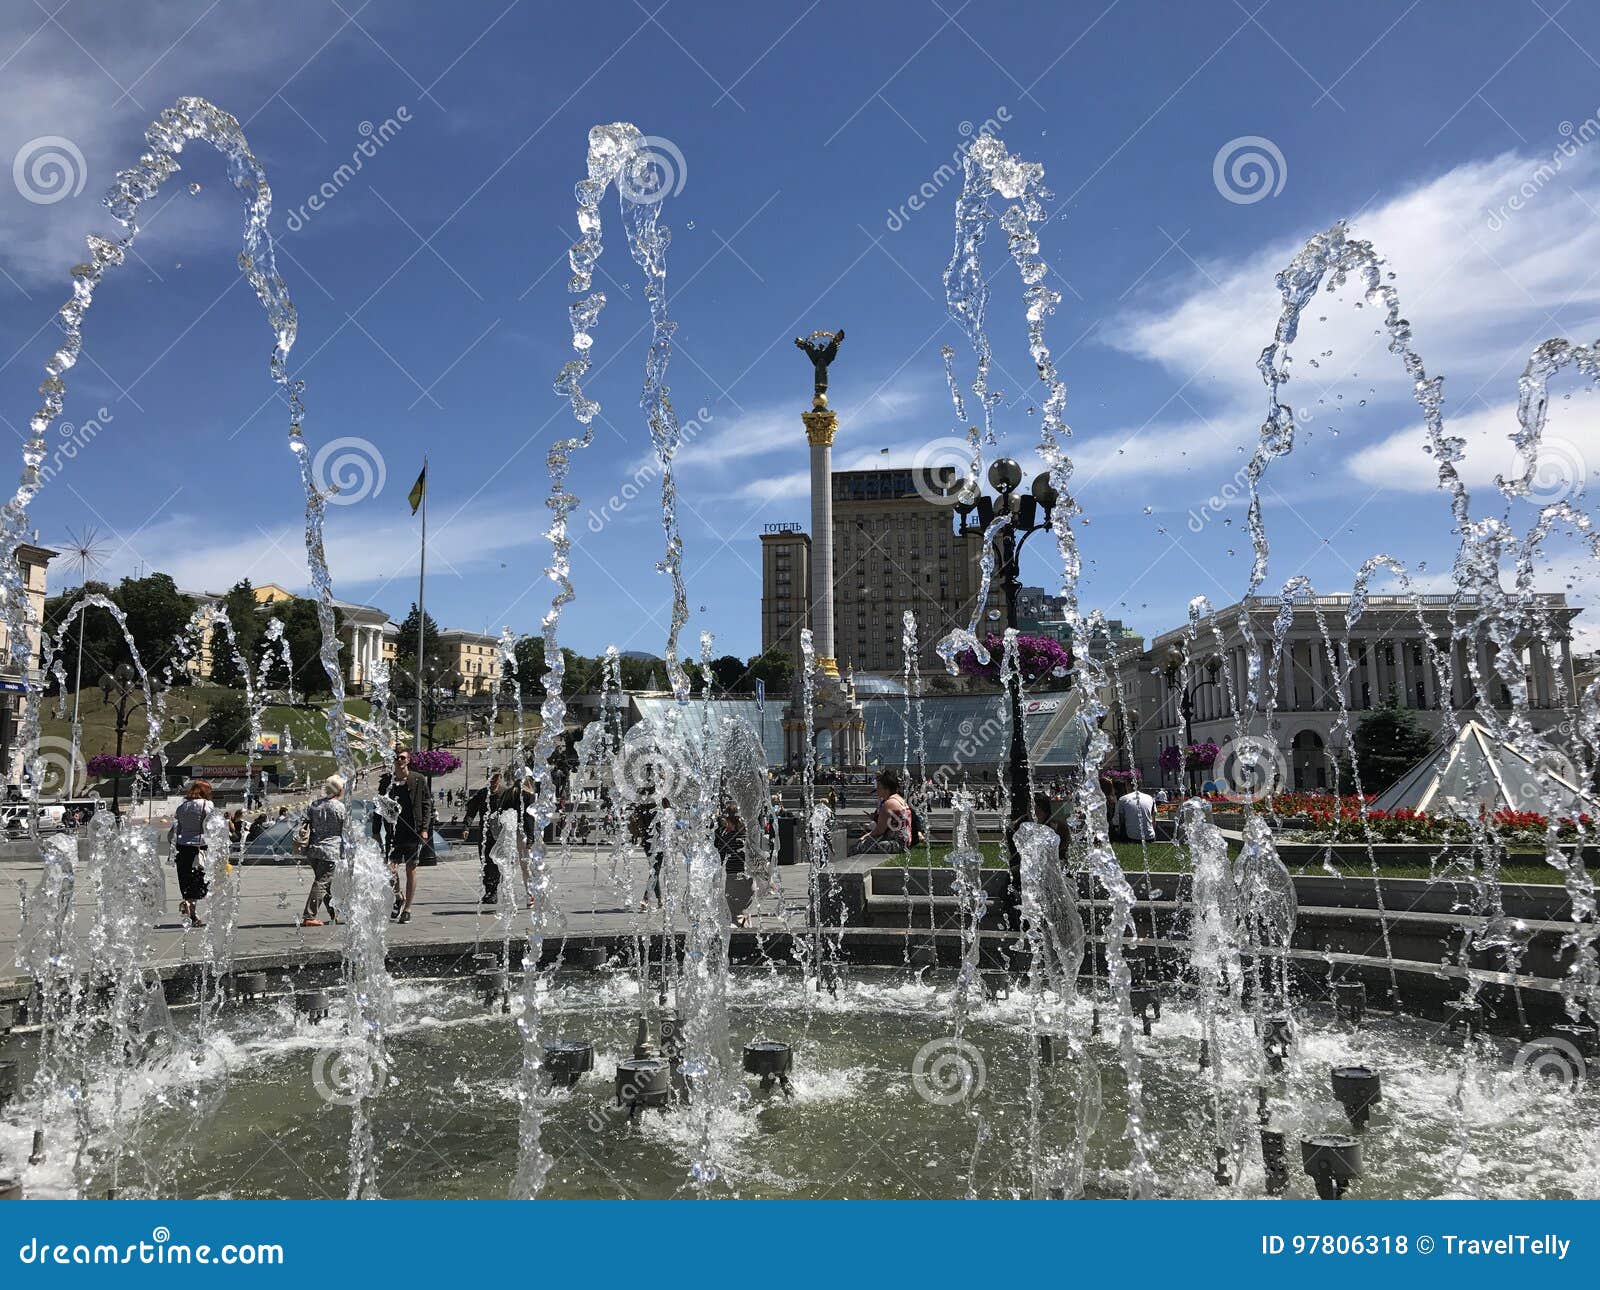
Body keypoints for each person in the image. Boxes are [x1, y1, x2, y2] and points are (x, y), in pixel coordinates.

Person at [374, 749, 434, 924]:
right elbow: (378, 807)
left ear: (408, 760)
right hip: (393, 830)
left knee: (410, 869)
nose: (399, 760)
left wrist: (424, 829)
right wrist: (376, 831)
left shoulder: (418, 779)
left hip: (413, 830)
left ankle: (407, 908)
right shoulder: (387, 781)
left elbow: (426, 805)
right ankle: (398, 897)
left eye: (402, 758)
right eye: (396, 757)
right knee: (390, 870)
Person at [299, 774, 346, 927]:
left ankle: (335, 913)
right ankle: (309, 916)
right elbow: (346, 829)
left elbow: (305, 822)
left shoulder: (314, 805)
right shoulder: (339, 807)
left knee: (326, 883)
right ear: (339, 789)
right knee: (322, 882)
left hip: (313, 850)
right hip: (330, 851)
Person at [169, 780, 215, 928]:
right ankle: (192, 910)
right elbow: (213, 827)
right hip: (200, 847)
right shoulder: (207, 805)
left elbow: (177, 830)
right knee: (198, 880)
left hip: (183, 848)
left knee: (186, 880)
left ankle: (190, 910)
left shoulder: (181, 807)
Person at [849, 768, 911, 855]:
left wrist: (864, 837)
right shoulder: (899, 799)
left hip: (896, 844)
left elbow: (879, 830)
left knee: (856, 847)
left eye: (879, 787)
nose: (877, 790)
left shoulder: (889, 803)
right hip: (905, 842)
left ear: (886, 789)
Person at [464, 771, 502, 903]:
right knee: (485, 860)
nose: (493, 781)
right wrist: (466, 827)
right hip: (485, 833)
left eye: (496, 778)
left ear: (500, 779)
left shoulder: (504, 793)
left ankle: (494, 891)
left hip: (499, 834)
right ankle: (489, 890)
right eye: (491, 778)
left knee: (495, 862)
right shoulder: (482, 793)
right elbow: (471, 810)